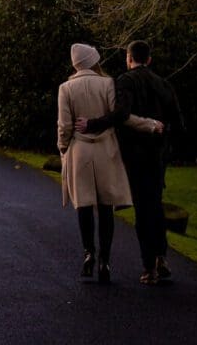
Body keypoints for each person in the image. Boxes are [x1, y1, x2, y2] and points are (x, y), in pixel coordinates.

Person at [77, 39, 185, 286]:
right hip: (157, 156)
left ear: (128, 58)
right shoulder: (164, 85)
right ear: (149, 59)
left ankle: (149, 267)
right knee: (155, 206)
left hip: (134, 155)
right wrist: (164, 140)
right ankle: (161, 256)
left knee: (142, 210)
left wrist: (92, 124)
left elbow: (121, 115)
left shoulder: (124, 82)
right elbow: (178, 124)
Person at [56, 42, 162, 284]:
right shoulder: (107, 83)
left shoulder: (65, 88)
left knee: (83, 205)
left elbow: (64, 126)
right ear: (94, 61)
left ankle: (88, 253)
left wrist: (64, 148)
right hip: (105, 149)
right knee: (105, 207)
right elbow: (121, 117)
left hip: (79, 150)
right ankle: (105, 259)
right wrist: (151, 124)